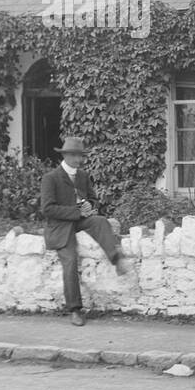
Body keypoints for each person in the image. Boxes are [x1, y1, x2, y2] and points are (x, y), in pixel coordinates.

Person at [39, 137, 129, 327]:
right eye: (74, 155)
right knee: (70, 261)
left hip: (80, 220)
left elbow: (94, 199)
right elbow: (47, 209)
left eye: (80, 156)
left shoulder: (82, 176)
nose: (78, 160)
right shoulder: (51, 178)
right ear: (65, 156)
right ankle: (75, 310)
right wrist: (76, 211)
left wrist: (90, 206)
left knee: (100, 221)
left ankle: (116, 258)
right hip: (60, 227)